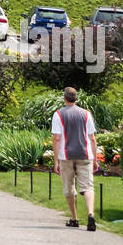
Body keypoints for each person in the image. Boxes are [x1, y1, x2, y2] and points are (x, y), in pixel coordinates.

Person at [52, 87, 97, 231]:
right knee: (88, 186)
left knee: (69, 187)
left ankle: (74, 218)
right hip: (85, 154)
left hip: (66, 155)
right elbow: (92, 138)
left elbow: (57, 139)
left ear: (64, 98)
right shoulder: (86, 114)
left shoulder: (58, 114)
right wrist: (95, 159)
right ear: (76, 98)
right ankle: (91, 214)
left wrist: (56, 161)